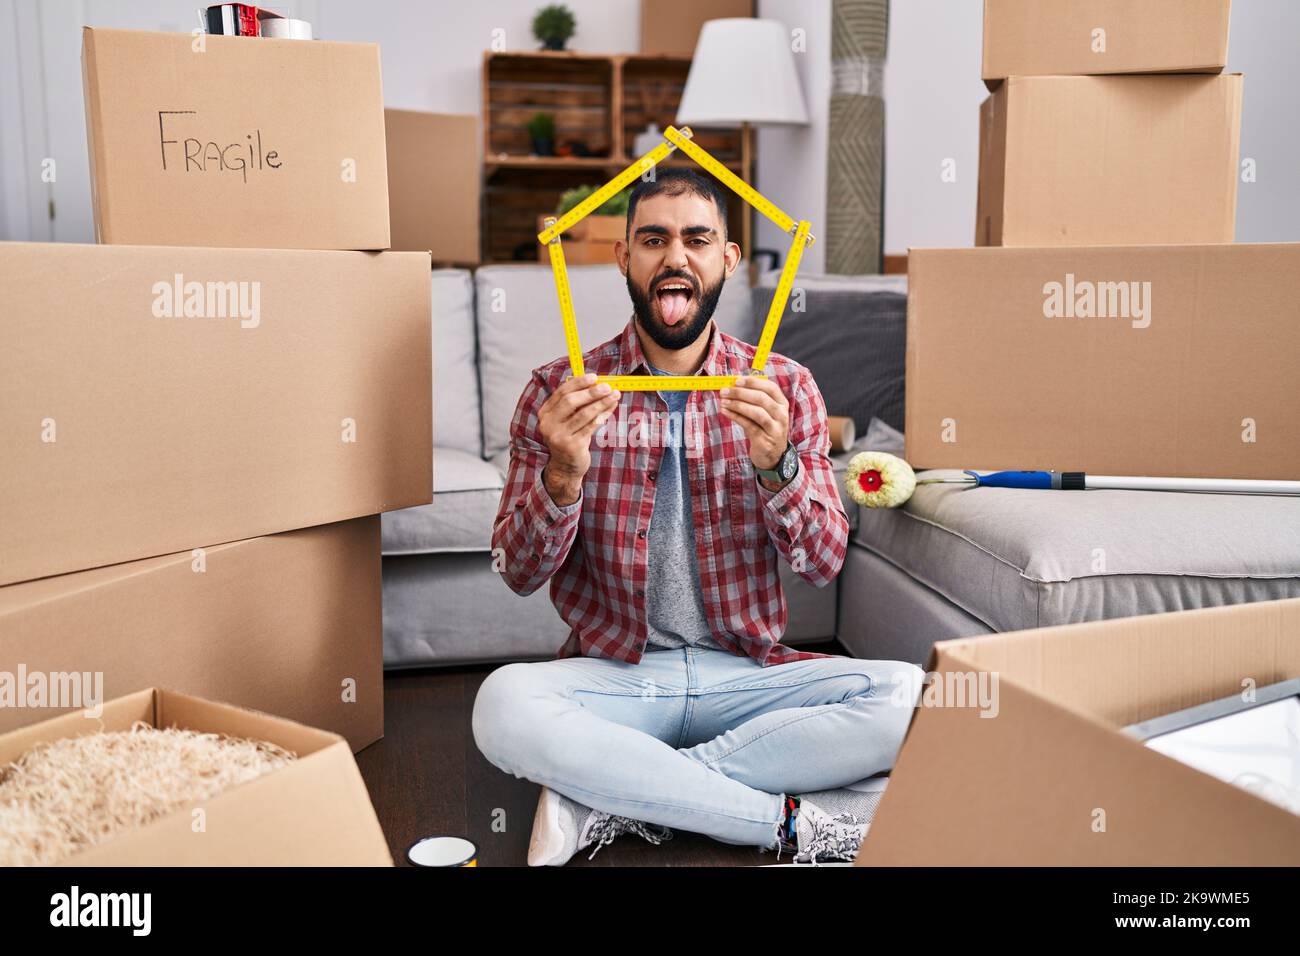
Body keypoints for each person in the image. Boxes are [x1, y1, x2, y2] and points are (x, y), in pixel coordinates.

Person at [472, 168, 923, 865]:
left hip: (744, 675)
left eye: (696, 239)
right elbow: (517, 573)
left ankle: (616, 792)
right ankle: (782, 824)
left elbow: (824, 561)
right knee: (501, 705)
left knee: (913, 696)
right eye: (653, 240)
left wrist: (779, 465)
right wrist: (562, 473)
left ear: (728, 261)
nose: (675, 257)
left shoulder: (785, 386)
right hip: (617, 677)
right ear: (624, 259)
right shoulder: (556, 390)